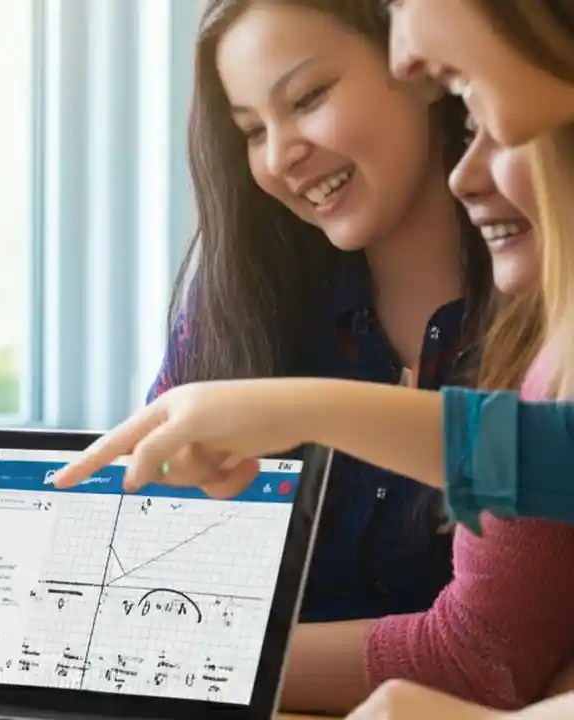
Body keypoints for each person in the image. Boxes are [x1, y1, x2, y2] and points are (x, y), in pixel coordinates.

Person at [149, 0, 491, 633]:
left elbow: (495, 656)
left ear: (420, 64)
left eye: (307, 99)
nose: (280, 157)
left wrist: (221, 664)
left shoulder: (546, 304)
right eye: (253, 130)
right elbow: (154, 585)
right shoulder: (242, 302)